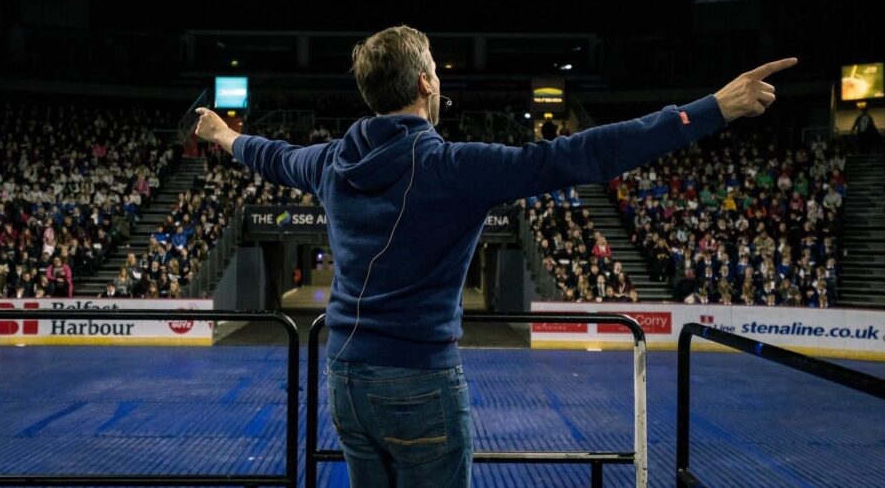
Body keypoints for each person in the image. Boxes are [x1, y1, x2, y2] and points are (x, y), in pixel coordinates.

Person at [194, 25, 794, 488]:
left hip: (345, 379)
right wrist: (711, 108)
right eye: (433, 67)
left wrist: (222, 135)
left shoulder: (330, 160)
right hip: (418, 384)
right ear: (426, 83)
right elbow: (585, 153)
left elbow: (270, 153)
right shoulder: (450, 168)